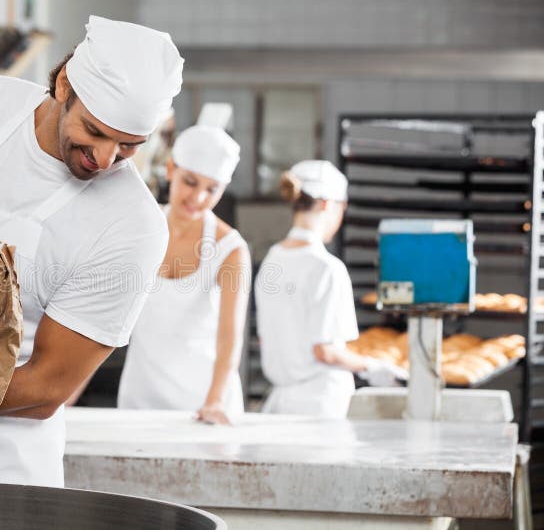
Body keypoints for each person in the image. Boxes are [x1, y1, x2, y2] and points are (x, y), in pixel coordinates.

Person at [0, 16, 183, 486]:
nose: (105, 159)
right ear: (64, 83)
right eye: (95, 131)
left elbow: (48, 385)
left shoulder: (133, 226)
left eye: (129, 146)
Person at [117, 125, 251, 425]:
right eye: (190, 182)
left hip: (204, 402)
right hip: (140, 397)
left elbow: (229, 337)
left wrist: (214, 402)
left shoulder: (230, 249)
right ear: (170, 170)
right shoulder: (139, 227)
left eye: (212, 189)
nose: (198, 197)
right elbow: (104, 317)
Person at [254, 160, 406, 418]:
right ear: (327, 205)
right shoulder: (326, 268)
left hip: (281, 404)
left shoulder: (272, 261)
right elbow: (325, 351)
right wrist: (373, 368)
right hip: (319, 405)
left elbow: (265, 339)